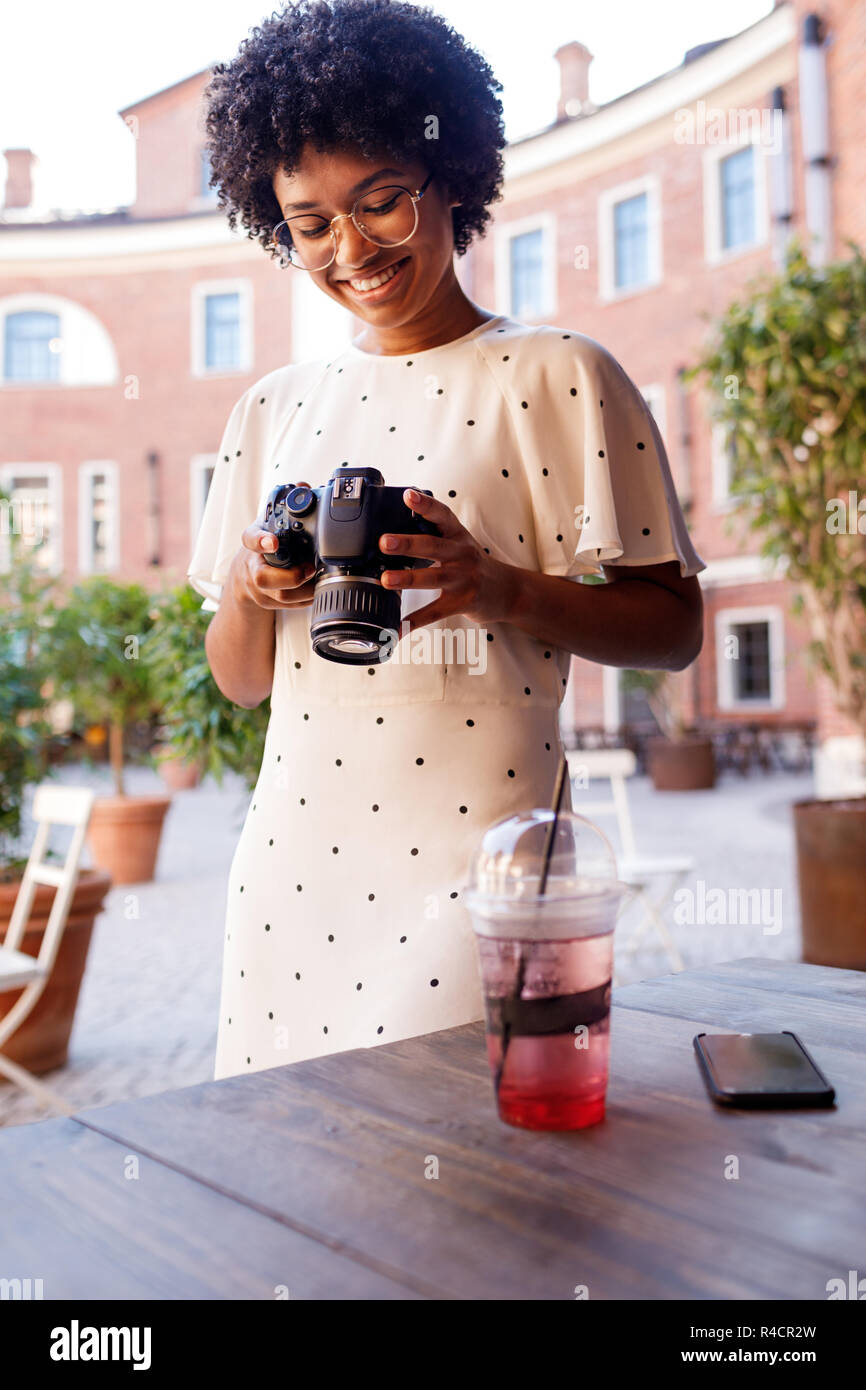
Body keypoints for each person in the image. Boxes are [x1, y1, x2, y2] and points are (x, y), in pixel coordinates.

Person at [187, 0, 705, 1080]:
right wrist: (249, 587)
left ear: (450, 176)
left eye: (379, 201)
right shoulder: (270, 408)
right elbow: (238, 683)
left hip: (488, 863)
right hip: (293, 873)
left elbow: (672, 630)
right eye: (310, 222)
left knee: (479, 1199)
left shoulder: (558, 373)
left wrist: (500, 588)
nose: (349, 247)